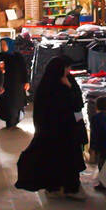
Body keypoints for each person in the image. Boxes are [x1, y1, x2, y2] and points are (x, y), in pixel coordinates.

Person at [15, 56, 87, 198]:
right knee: (54, 160)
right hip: (53, 132)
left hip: (67, 131)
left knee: (68, 160)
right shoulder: (47, 86)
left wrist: (70, 87)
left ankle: (70, 188)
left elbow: (78, 103)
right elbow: (45, 111)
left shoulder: (67, 81)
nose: (68, 70)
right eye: (66, 68)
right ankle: (55, 187)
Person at [0, 39, 28, 128]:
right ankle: (8, 120)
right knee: (6, 103)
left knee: (16, 103)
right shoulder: (0, 56)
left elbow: (23, 69)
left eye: (4, 44)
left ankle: (14, 120)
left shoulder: (18, 56)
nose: (2, 47)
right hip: (5, 84)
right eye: (1, 44)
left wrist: (26, 81)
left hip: (17, 85)